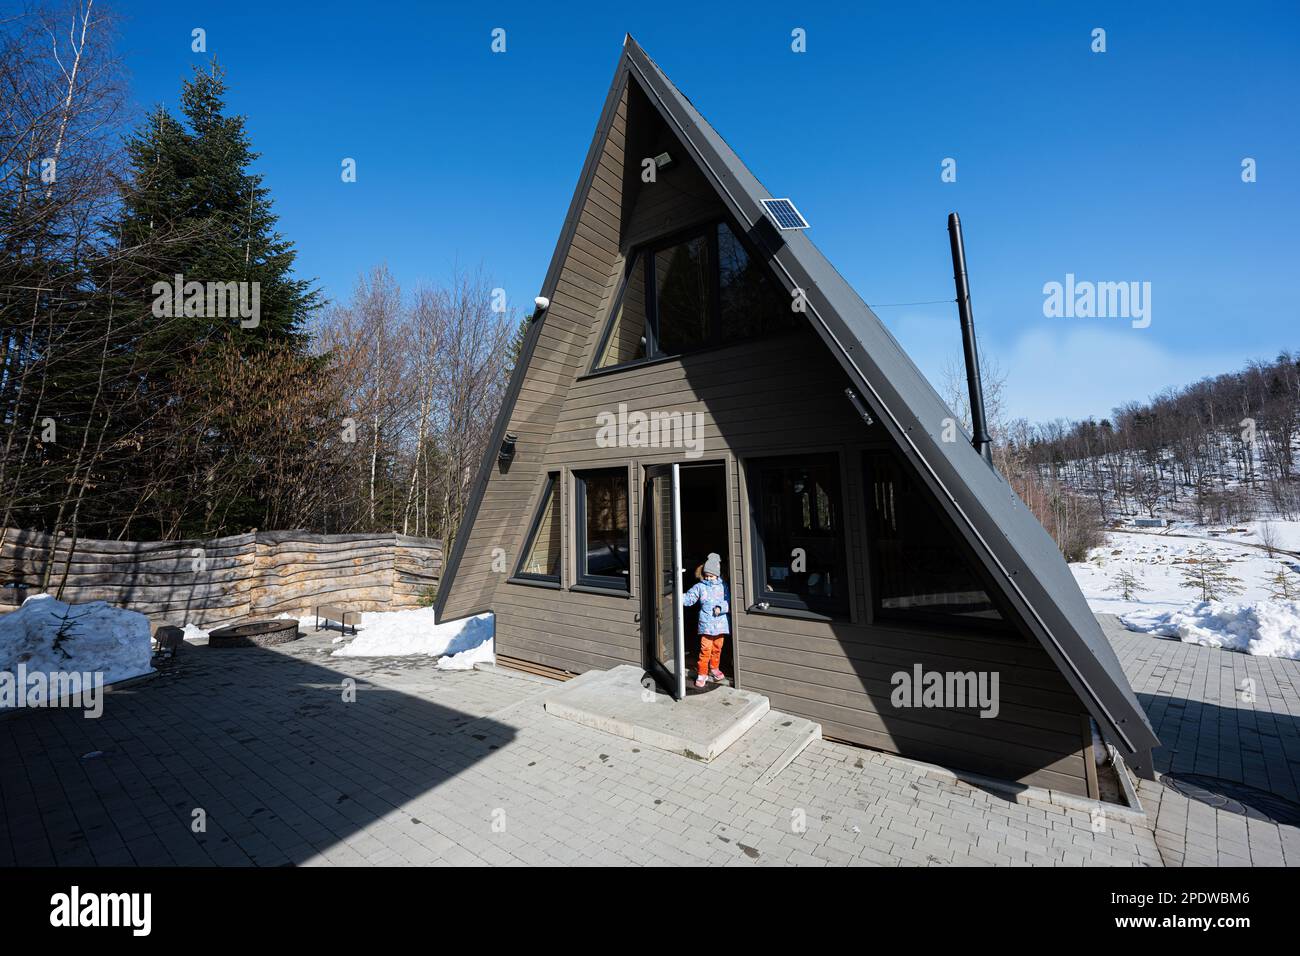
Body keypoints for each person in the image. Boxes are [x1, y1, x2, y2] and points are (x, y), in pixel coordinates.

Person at [682, 552, 729, 689]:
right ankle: (702, 673)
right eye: (706, 575)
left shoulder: (723, 586)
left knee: (717, 648)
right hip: (706, 625)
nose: (709, 578)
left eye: (712, 576)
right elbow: (690, 598)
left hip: (720, 624)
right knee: (705, 650)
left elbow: (729, 601)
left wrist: (721, 608)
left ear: (718, 575)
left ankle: (714, 668)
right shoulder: (700, 587)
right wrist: (679, 596)